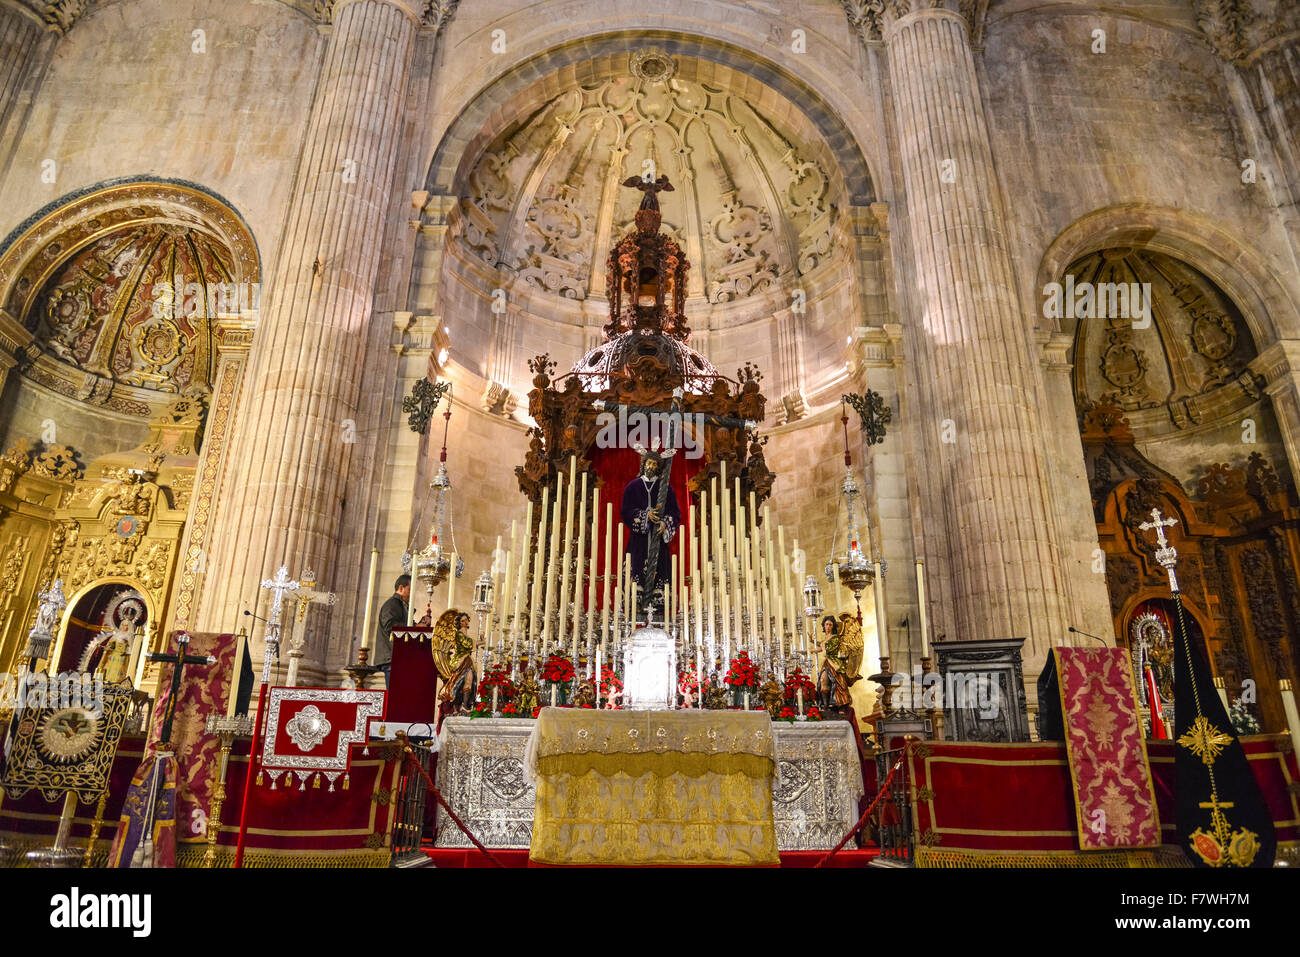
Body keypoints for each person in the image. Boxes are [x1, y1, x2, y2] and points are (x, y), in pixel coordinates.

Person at [621, 452, 679, 596]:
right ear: (644, 464)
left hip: (658, 541)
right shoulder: (633, 486)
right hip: (638, 542)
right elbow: (626, 511)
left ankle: (658, 603)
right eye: (649, 463)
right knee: (636, 579)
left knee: (660, 573)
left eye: (654, 464)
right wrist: (645, 515)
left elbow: (675, 513)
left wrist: (664, 523)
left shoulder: (665, 488)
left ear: (658, 467)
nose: (651, 466)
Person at [374, 574, 410, 679]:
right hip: (391, 657)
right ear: (401, 588)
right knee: (394, 694)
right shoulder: (392, 604)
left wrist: (420, 624)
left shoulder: (399, 604)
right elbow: (390, 626)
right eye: (409, 590)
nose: (411, 594)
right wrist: (415, 625)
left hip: (395, 657)